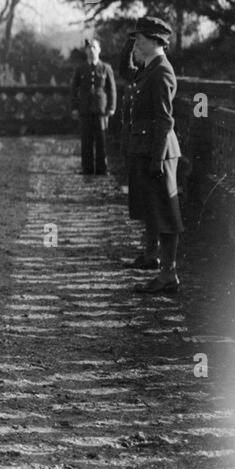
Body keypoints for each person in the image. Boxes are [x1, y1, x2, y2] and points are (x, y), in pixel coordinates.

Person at [125, 16, 183, 293]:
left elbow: (164, 119)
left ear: (154, 41)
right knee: (153, 209)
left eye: (139, 38)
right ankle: (155, 261)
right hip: (148, 148)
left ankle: (168, 274)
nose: (135, 42)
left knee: (165, 213)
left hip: (157, 150)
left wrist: (157, 158)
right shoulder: (150, 67)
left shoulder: (161, 71)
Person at [70, 35, 117, 176]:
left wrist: (112, 107)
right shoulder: (80, 69)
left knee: (101, 139)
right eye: (89, 48)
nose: (91, 50)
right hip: (85, 109)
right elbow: (73, 89)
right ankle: (87, 169)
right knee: (86, 140)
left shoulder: (106, 68)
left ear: (99, 50)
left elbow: (112, 89)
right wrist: (74, 107)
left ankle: (102, 169)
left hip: (101, 110)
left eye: (94, 47)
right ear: (86, 51)